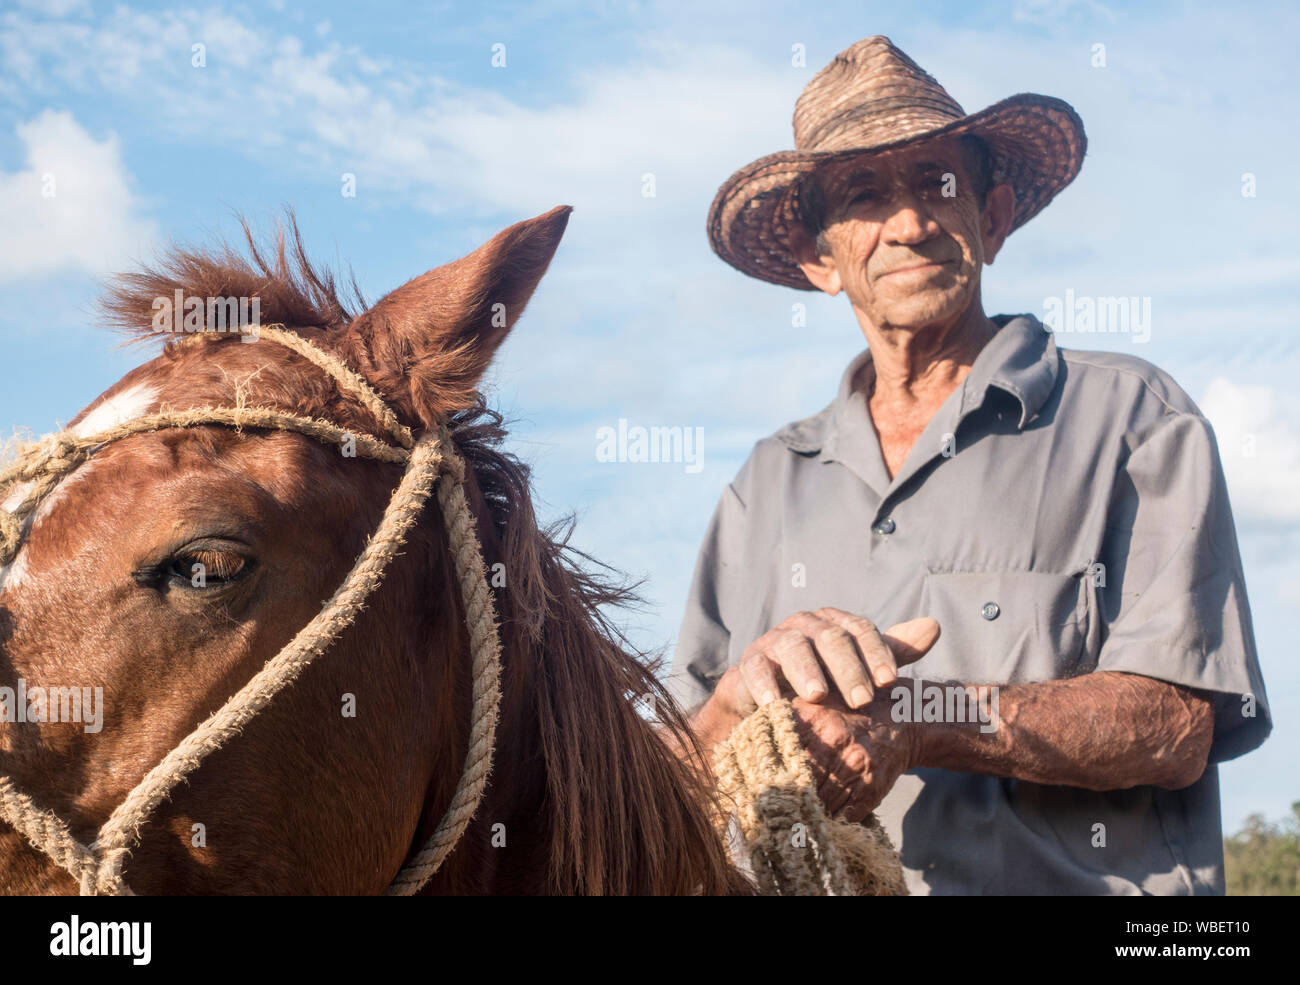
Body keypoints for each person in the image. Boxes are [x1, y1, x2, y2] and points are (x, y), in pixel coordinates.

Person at [669, 35, 1271, 894]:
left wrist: (920, 717)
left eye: (938, 184)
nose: (911, 223)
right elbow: (675, 766)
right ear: (819, 258)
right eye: (866, 194)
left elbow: (1177, 724)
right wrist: (736, 705)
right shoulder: (766, 483)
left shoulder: (1132, 418)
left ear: (989, 220)